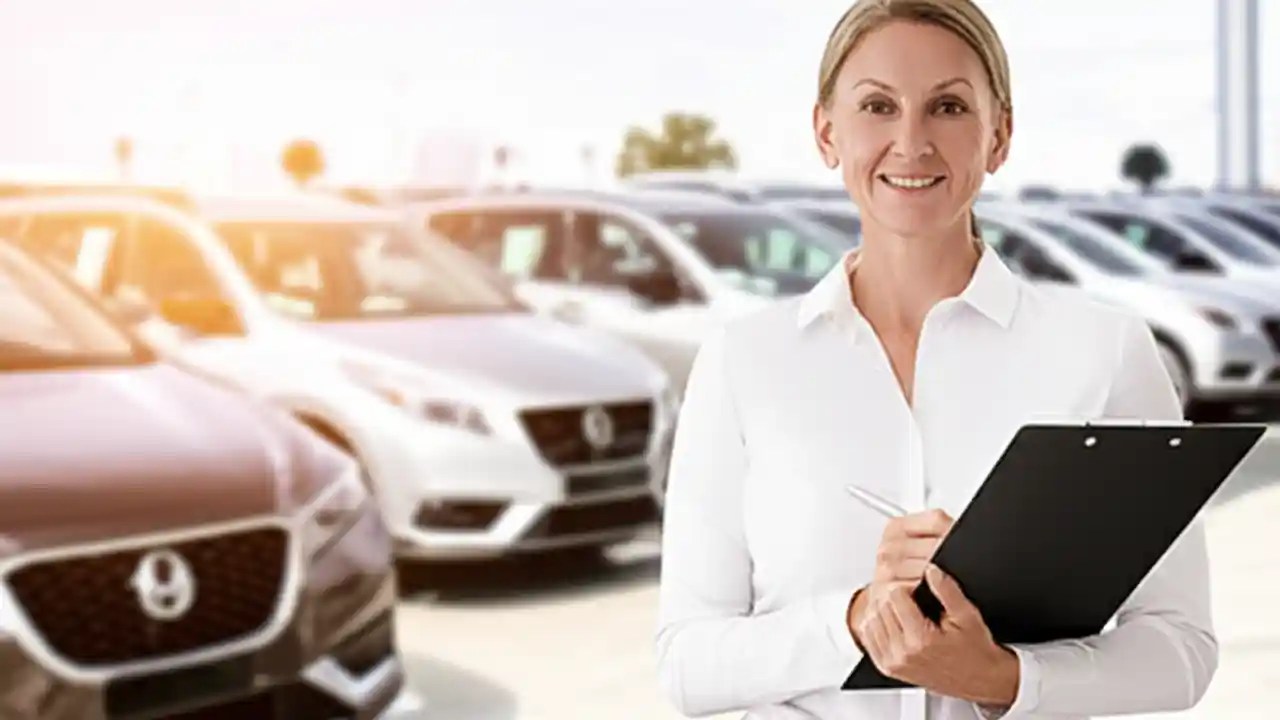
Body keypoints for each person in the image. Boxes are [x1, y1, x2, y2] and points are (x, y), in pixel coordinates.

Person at [654, 1, 1217, 719]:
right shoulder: (744, 361)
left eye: (948, 106)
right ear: (828, 132)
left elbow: (1180, 649)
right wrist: (857, 621)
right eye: (877, 107)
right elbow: (686, 664)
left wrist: (1002, 677)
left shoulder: (1104, 352)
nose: (911, 142)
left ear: (999, 135)